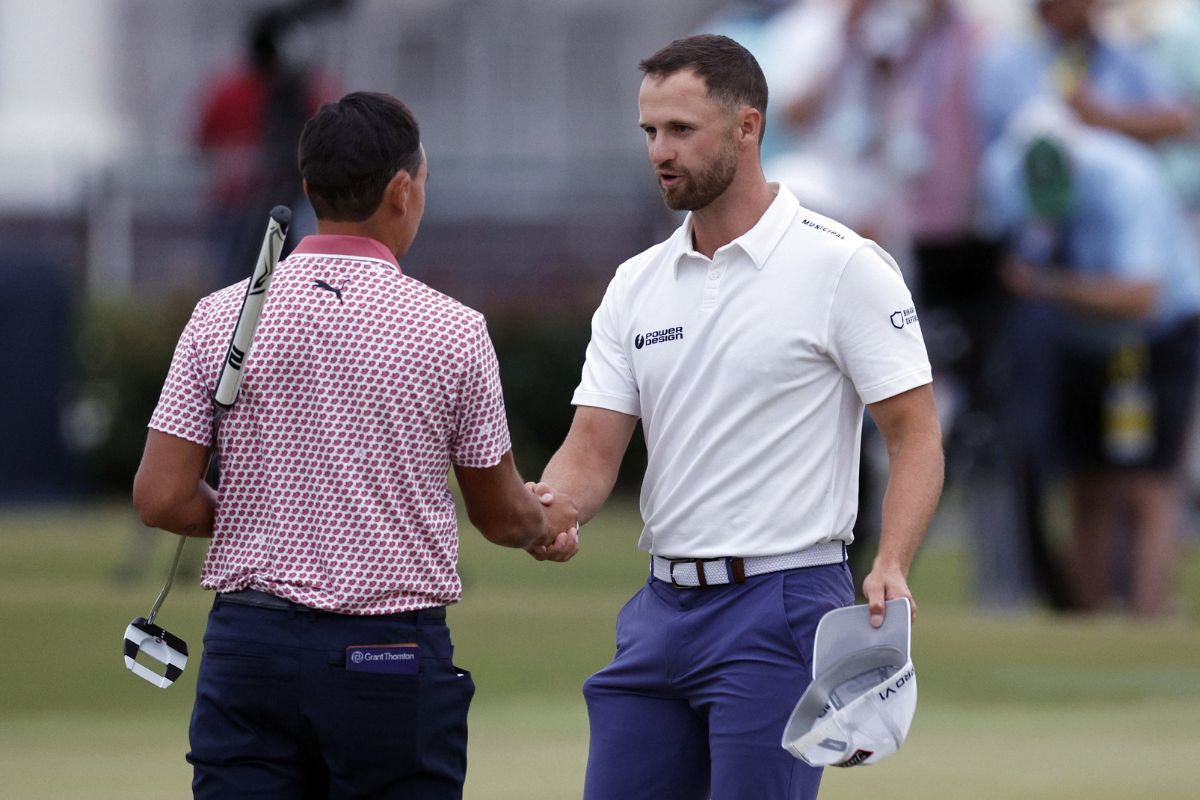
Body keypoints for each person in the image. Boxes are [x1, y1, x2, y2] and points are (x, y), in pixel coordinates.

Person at [528, 34, 944, 799]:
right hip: (660, 610)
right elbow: (590, 452)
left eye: (681, 130)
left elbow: (915, 434)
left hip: (783, 608)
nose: (660, 150)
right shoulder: (635, 283)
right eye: (650, 131)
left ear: (747, 128)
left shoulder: (843, 265)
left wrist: (892, 562)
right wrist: (548, 511)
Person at [133, 91, 577, 799]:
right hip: (386, 655)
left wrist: (269, 511)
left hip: (248, 647)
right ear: (402, 189)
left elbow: (160, 497)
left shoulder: (220, 314)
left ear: (309, 188)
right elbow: (501, 516)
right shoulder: (452, 330)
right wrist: (546, 523)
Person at [980, 101, 1200, 618]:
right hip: (1080, 340)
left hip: (1150, 341)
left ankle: (1146, 616)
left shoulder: (1128, 179)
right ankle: (1089, 619)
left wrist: (1048, 286)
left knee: (1147, 483)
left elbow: (1140, 296)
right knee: (1085, 480)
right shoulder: (1006, 172)